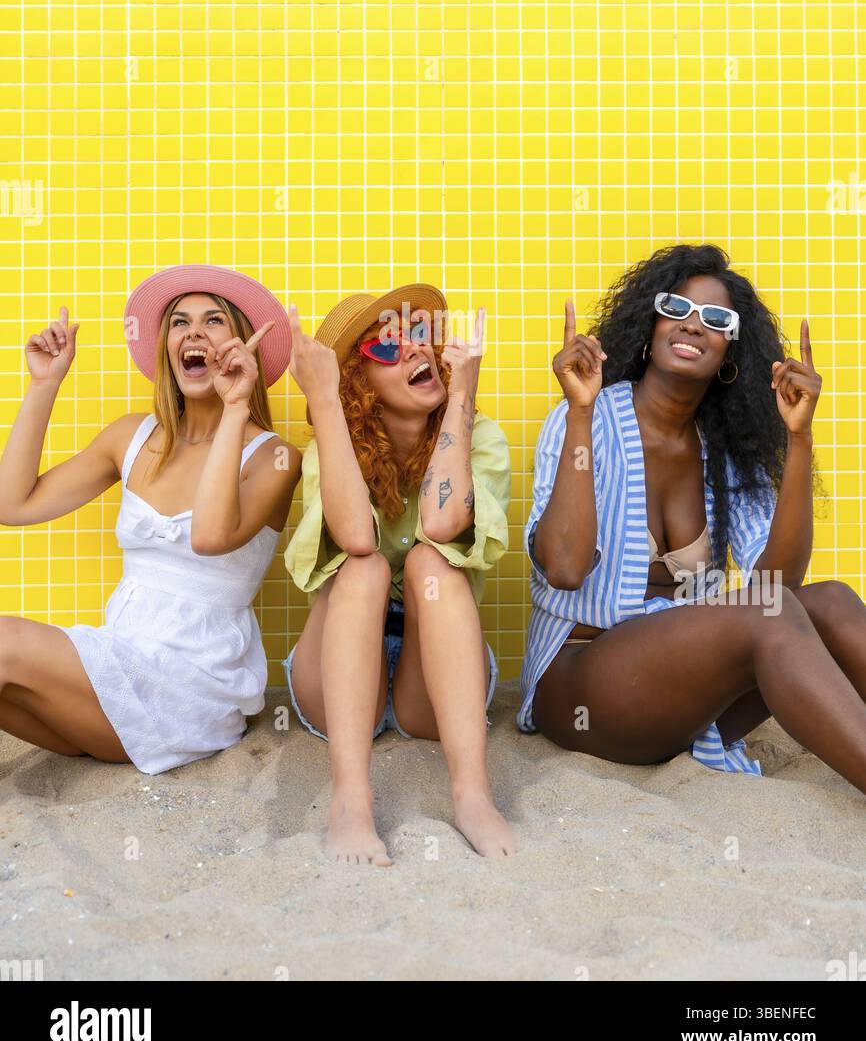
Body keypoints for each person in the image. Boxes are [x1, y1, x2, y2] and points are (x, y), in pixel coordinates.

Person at [520, 243, 866, 793]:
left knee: (832, 601)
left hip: (679, 697)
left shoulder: (727, 452)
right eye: (676, 309)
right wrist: (581, 413)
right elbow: (563, 568)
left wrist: (798, 439)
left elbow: (779, 585)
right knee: (764, 614)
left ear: (731, 349)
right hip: (583, 686)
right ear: (651, 326)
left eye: (715, 319)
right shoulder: (588, 416)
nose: (693, 326)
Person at [0, 264, 300, 774]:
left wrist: (234, 409)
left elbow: (209, 537)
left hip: (191, 685)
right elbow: (13, 506)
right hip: (116, 668)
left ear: (242, 344)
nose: (194, 333)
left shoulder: (275, 457)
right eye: (179, 323)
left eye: (214, 321)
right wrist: (44, 385)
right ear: (165, 344)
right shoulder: (131, 437)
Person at [283, 285, 517, 864]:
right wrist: (325, 405)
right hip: (334, 680)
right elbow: (357, 538)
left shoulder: (477, 436)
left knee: (428, 559)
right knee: (361, 570)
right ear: (358, 386)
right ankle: (351, 803)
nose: (415, 351)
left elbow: (439, 523)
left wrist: (463, 395)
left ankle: (472, 795)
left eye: (420, 337)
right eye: (388, 348)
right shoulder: (332, 446)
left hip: (432, 683)